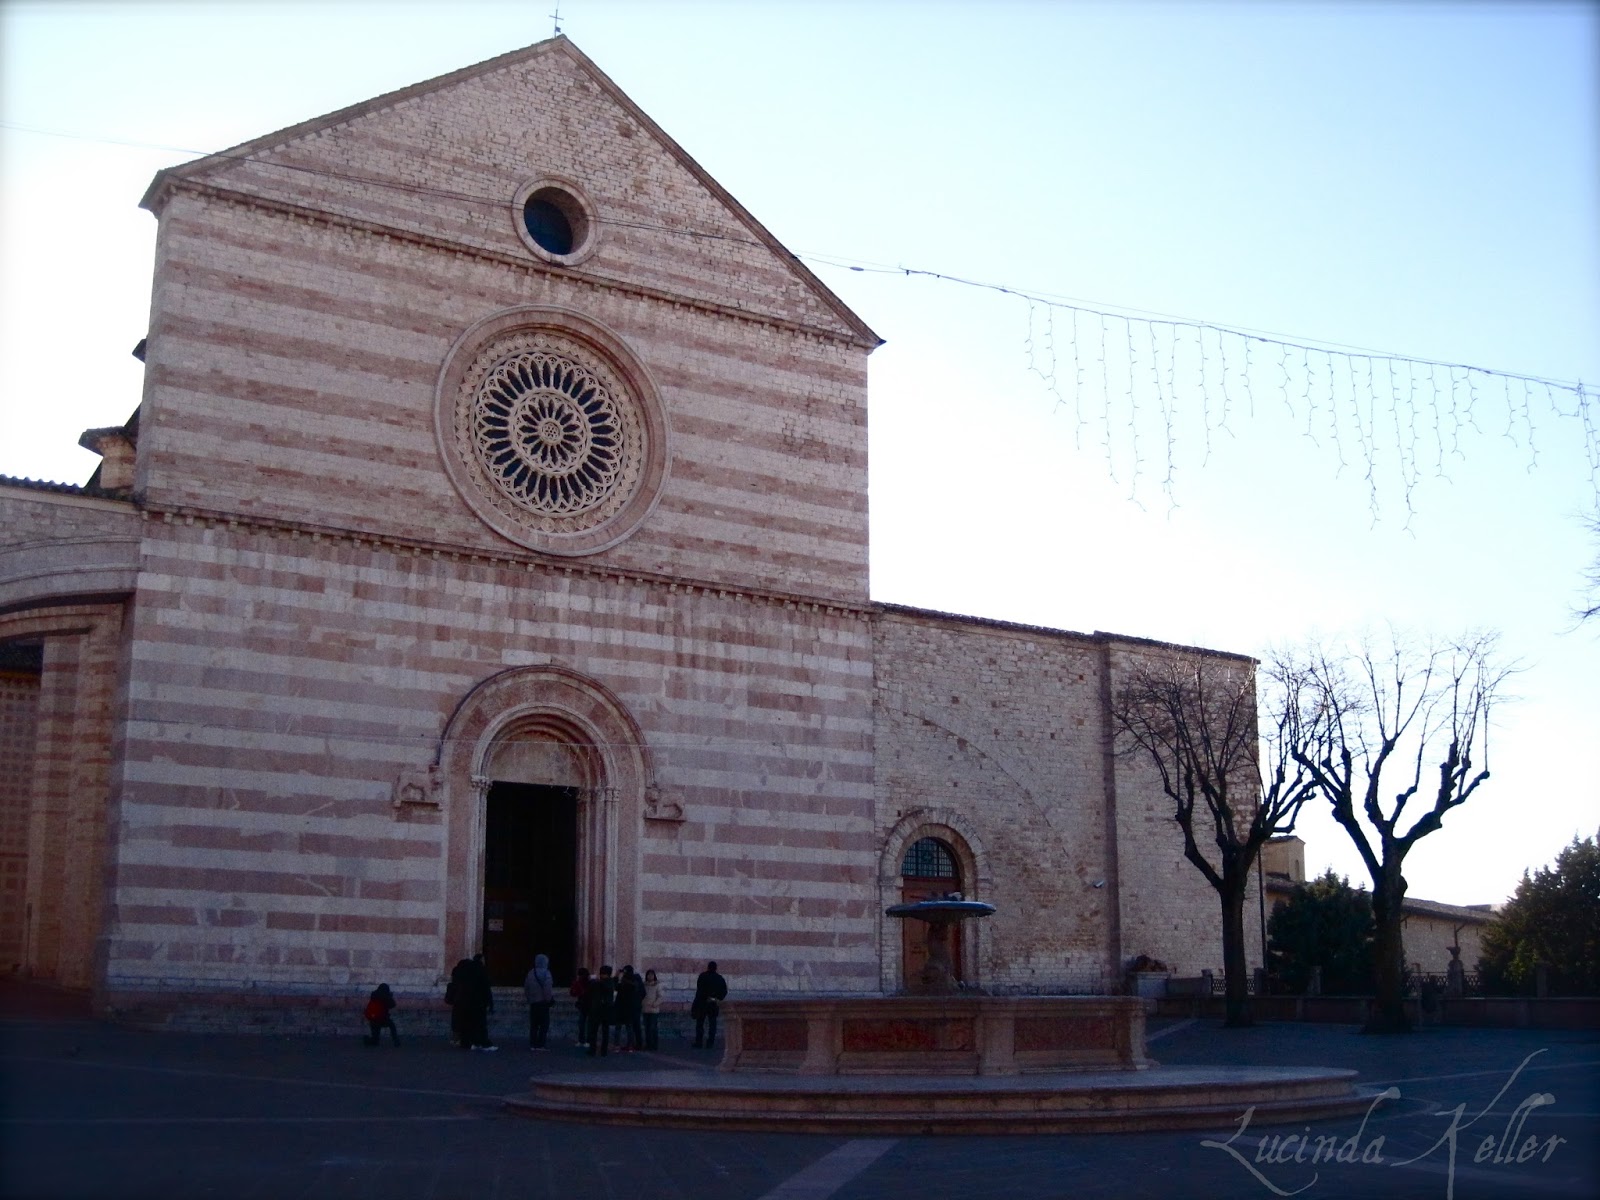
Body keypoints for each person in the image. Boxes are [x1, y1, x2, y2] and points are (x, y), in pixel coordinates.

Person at [691, 960, 728, 1049]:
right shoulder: (720, 978)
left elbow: (699, 990)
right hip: (713, 1003)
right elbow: (724, 991)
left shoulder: (703, 976)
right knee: (712, 1024)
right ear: (716, 968)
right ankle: (710, 1043)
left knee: (700, 1023)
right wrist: (717, 998)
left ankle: (699, 1042)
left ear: (708, 967)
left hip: (702, 1003)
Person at [523, 953, 555, 1050]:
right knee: (544, 1024)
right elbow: (547, 988)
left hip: (534, 1003)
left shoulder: (531, 973)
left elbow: (526, 987)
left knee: (534, 1025)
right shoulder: (547, 973)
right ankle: (541, 1044)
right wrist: (549, 999)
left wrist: (529, 999)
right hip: (543, 1003)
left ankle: (533, 1044)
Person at [466, 952, 497, 1051]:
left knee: (474, 1022)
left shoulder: (469, 971)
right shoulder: (482, 971)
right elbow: (486, 988)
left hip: (471, 1001)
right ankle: (485, 1043)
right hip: (480, 1002)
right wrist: (490, 1003)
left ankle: (475, 1042)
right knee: (482, 1023)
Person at [585, 964, 616, 1057]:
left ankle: (594, 1049)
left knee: (595, 1031)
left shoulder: (602, 983)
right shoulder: (609, 983)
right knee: (602, 1031)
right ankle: (602, 1050)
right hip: (604, 1010)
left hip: (599, 1010)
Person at [447, 958, 475, 1049]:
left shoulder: (456, 972)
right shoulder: (468, 976)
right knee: (464, 1022)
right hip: (464, 1002)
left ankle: (456, 1039)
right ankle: (463, 1040)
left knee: (456, 1023)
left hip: (457, 1002)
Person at [616, 965, 643, 1052]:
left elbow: (617, 988)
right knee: (630, 1027)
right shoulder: (636, 981)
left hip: (623, 1007)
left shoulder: (626, 981)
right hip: (632, 1007)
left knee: (620, 1027)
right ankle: (631, 1046)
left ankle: (618, 1045)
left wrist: (618, 977)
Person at [362, 983, 400, 1047]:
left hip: (372, 1018)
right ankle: (396, 1040)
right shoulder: (385, 996)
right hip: (382, 1018)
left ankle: (369, 1040)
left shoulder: (374, 994)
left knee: (375, 1038)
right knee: (392, 1026)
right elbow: (392, 1005)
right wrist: (390, 997)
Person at [640, 968, 662, 1052]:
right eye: (649, 975)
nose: (650, 976)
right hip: (645, 1009)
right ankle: (648, 1044)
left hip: (653, 1010)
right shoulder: (644, 985)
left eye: (652, 975)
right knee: (647, 1028)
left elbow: (660, 996)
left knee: (653, 1028)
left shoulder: (657, 985)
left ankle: (654, 1044)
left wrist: (655, 1004)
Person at [570, 967, 591, 1047]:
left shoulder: (578, 982)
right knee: (587, 1024)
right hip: (589, 1005)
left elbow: (573, 993)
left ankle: (581, 1040)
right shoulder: (590, 982)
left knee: (582, 1023)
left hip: (583, 1005)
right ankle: (587, 1040)